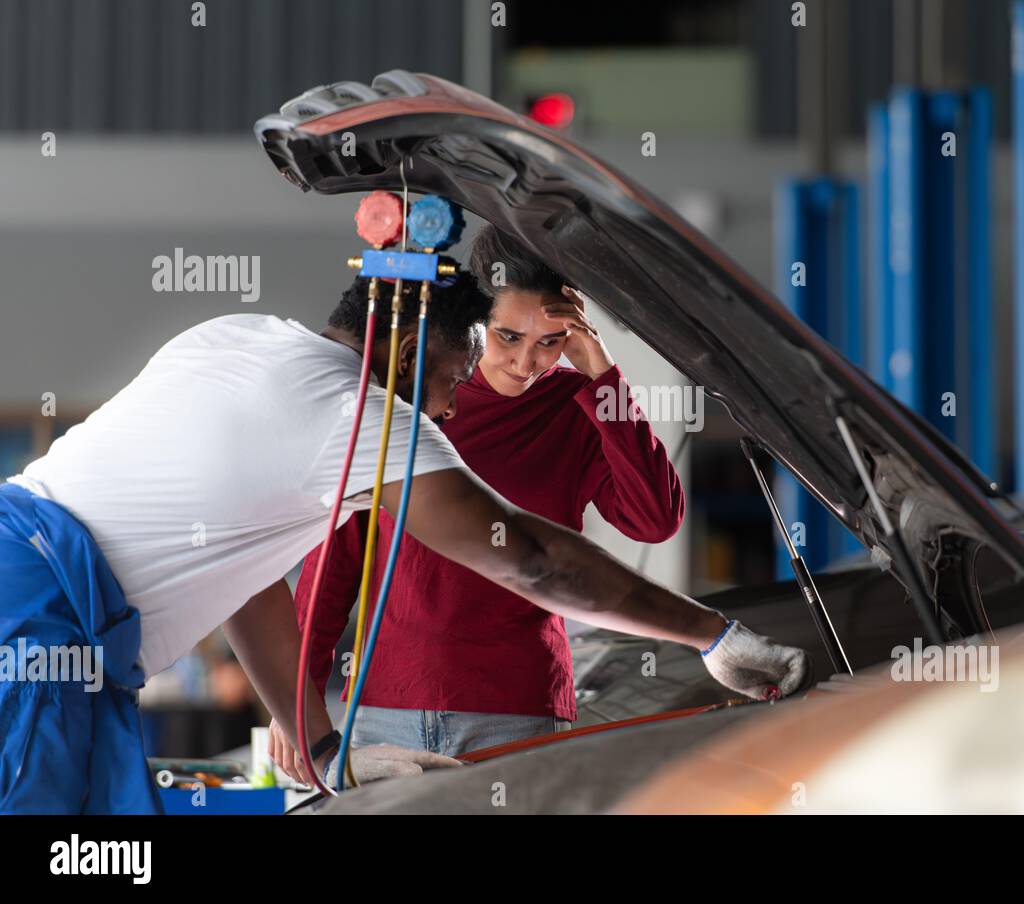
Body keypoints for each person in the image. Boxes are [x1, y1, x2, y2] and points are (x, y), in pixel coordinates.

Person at [0, 268, 808, 814]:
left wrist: (320, 742)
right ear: (416, 349)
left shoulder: (236, 336)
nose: (454, 404)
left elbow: (241, 573)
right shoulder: (358, 415)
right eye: (460, 373)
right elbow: (530, 559)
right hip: (42, 623)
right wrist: (712, 633)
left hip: (35, 583)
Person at [287, 226, 688, 764]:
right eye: (508, 337)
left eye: (550, 342)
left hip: (517, 709)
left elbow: (655, 519)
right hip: (387, 706)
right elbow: (334, 557)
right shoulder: (416, 395)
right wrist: (295, 697)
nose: (526, 363)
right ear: (477, 321)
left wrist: (602, 373)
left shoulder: (580, 405)